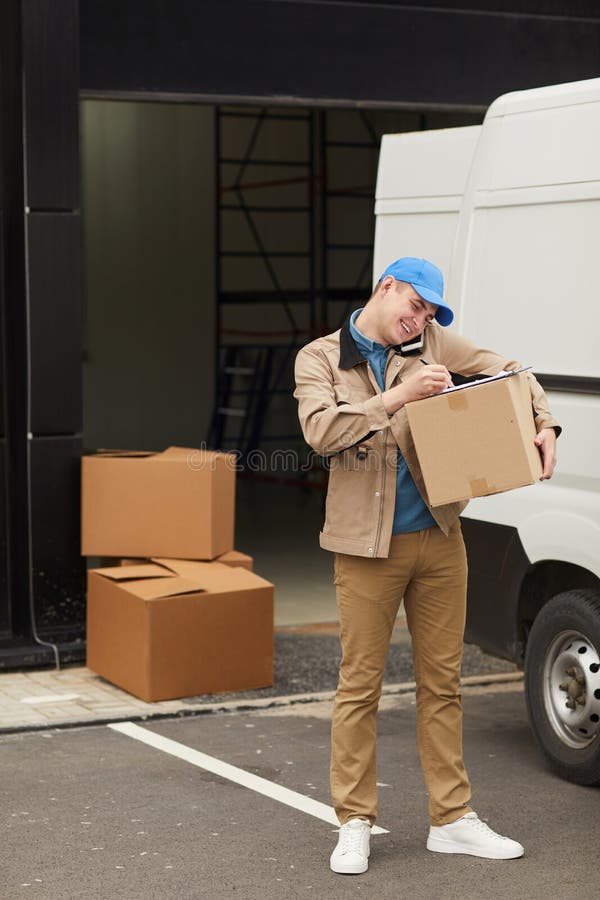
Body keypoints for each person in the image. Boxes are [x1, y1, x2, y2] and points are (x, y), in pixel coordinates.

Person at [293, 257, 559, 875]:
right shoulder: (321, 357)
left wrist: (545, 421)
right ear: (387, 287)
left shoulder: (432, 338)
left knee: (444, 685)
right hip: (365, 548)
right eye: (415, 305)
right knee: (359, 687)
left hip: (440, 539)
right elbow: (322, 432)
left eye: (430, 313)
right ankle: (354, 823)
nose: (421, 320)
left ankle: (452, 820)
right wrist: (401, 395)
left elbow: (511, 369)